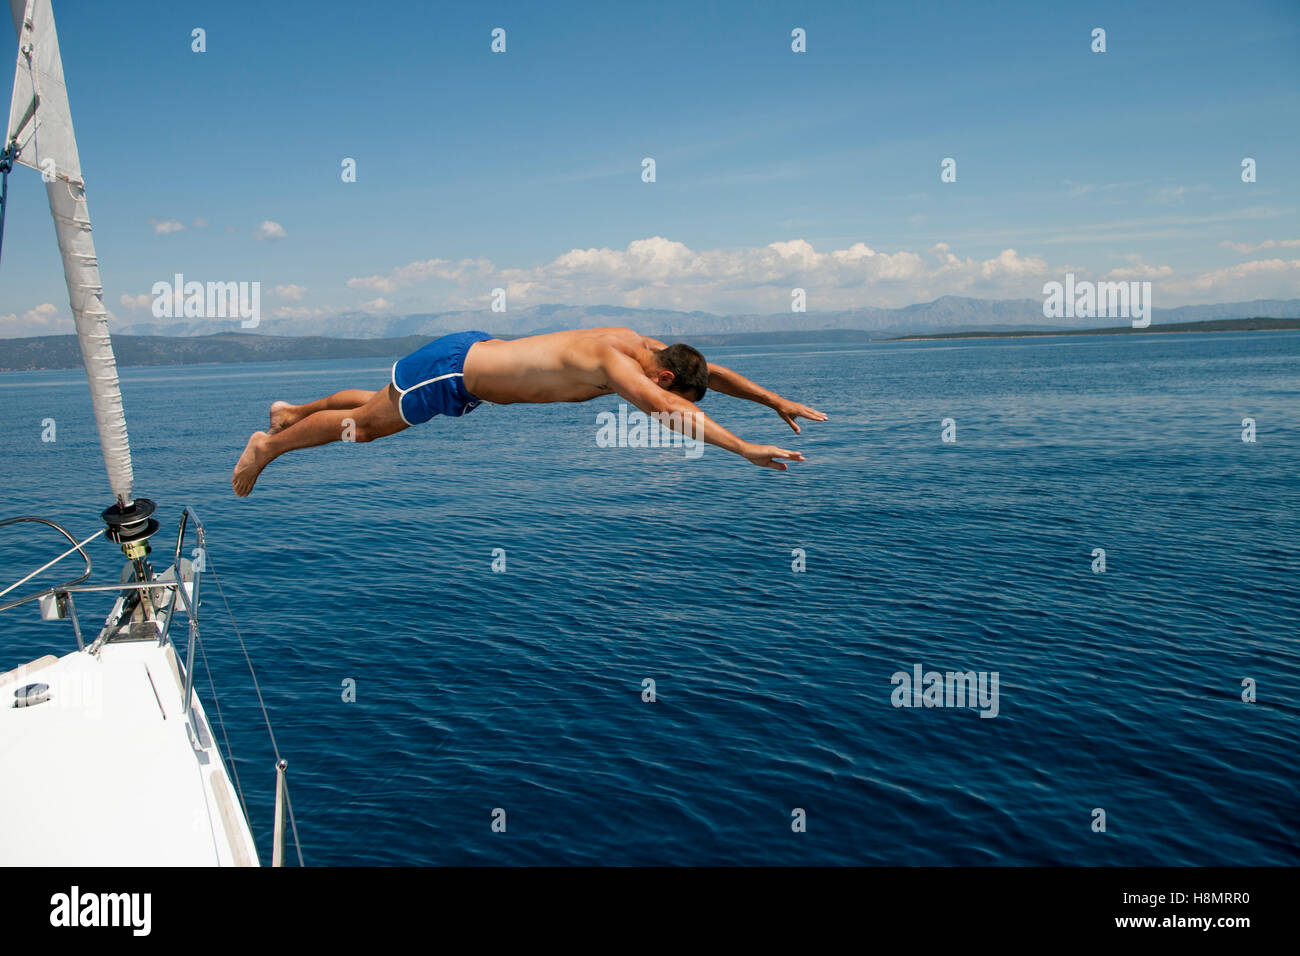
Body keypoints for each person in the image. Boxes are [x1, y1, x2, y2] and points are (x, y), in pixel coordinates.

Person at [232, 327, 828, 496]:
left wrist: (772, 400)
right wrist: (744, 448)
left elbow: (708, 373)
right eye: (669, 387)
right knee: (361, 429)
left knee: (375, 402)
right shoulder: (617, 364)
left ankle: (292, 413)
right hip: (455, 373)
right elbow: (668, 410)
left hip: (466, 371)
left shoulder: (646, 346)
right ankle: (270, 445)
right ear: (664, 376)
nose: (665, 391)